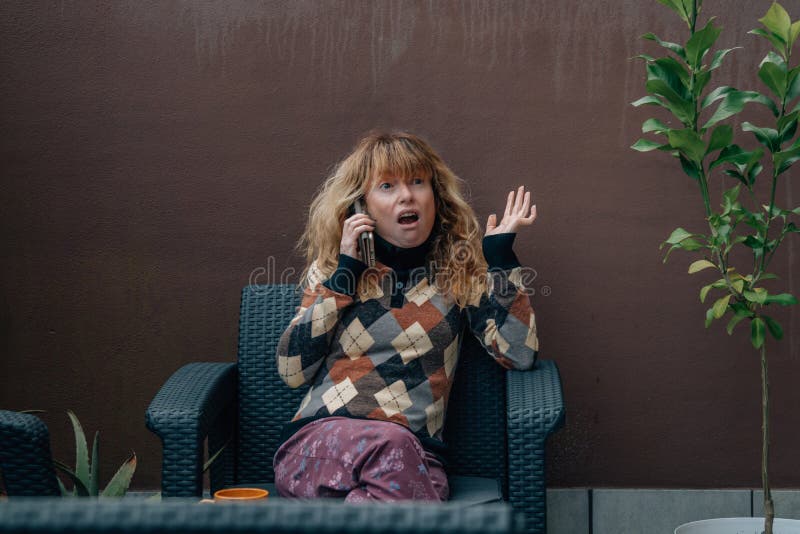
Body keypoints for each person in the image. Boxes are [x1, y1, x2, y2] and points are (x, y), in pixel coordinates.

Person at [273, 131, 539, 502]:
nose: (407, 195)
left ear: (436, 197)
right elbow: (292, 371)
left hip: (416, 458)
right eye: (387, 186)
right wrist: (345, 274)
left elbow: (520, 354)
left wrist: (501, 260)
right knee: (395, 458)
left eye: (417, 182)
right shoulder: (333, 271)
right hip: (320, 448)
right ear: (361, 207)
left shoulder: (458, 276)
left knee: (394, 482)